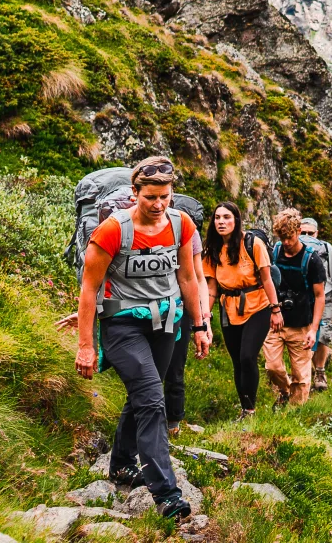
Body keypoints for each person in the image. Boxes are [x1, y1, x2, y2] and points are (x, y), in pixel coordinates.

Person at [74, 157, 211, 520]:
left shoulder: (181, 225)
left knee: (142, 397)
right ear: (135, 193)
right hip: (121, 326)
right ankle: (167, 494)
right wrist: (86, 345)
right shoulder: (110, 230)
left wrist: (198, 326)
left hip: (166, 323)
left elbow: (187, 279)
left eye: (165, 196)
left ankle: (120, 464)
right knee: (152, 399)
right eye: (151, 197)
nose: (159, 204)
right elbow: (89, 288)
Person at [203, 200, 280, 418]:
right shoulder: (212, 249)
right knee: (237, 360)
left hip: (258, 306)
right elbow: (211, 287)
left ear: (236, 220)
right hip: (228, 308)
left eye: (226, 217)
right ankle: (244, 408)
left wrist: (276, 309)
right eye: (217, 218)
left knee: (247, 356)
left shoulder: (253, 244)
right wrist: (205, 317)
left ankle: (251, 409)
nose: (221, 222)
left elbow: (267, 279)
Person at [262, 207, 325, 408]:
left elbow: (319, 296)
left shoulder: (312, 260)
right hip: (276, 320)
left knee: (301, 375)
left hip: (302, 325)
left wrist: (314, 330)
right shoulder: (276, 252)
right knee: (272, 366)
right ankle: (285, 390)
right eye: (282, 237)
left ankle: (294, 415)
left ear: (298, 231)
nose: (286, 242)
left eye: (289, 237)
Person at [162, 193, 209, 436]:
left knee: (174, 366)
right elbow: (199, 279)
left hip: (180, 308)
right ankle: (165, 423)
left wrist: (203, 320)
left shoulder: (188, 231)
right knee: (167, 369)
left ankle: (172, 425)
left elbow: (196, 277)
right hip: (164, 306)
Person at [298, 216, 332, 392]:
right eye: (302, 232)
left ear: (317, 233)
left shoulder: (327, 249)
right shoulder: (291, 247)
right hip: (302, 296)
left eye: (310, 233)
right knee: (301, 331)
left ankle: (320, 371)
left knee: (324, 334)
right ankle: (303, 372)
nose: (306, 236)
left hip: (326, 296)